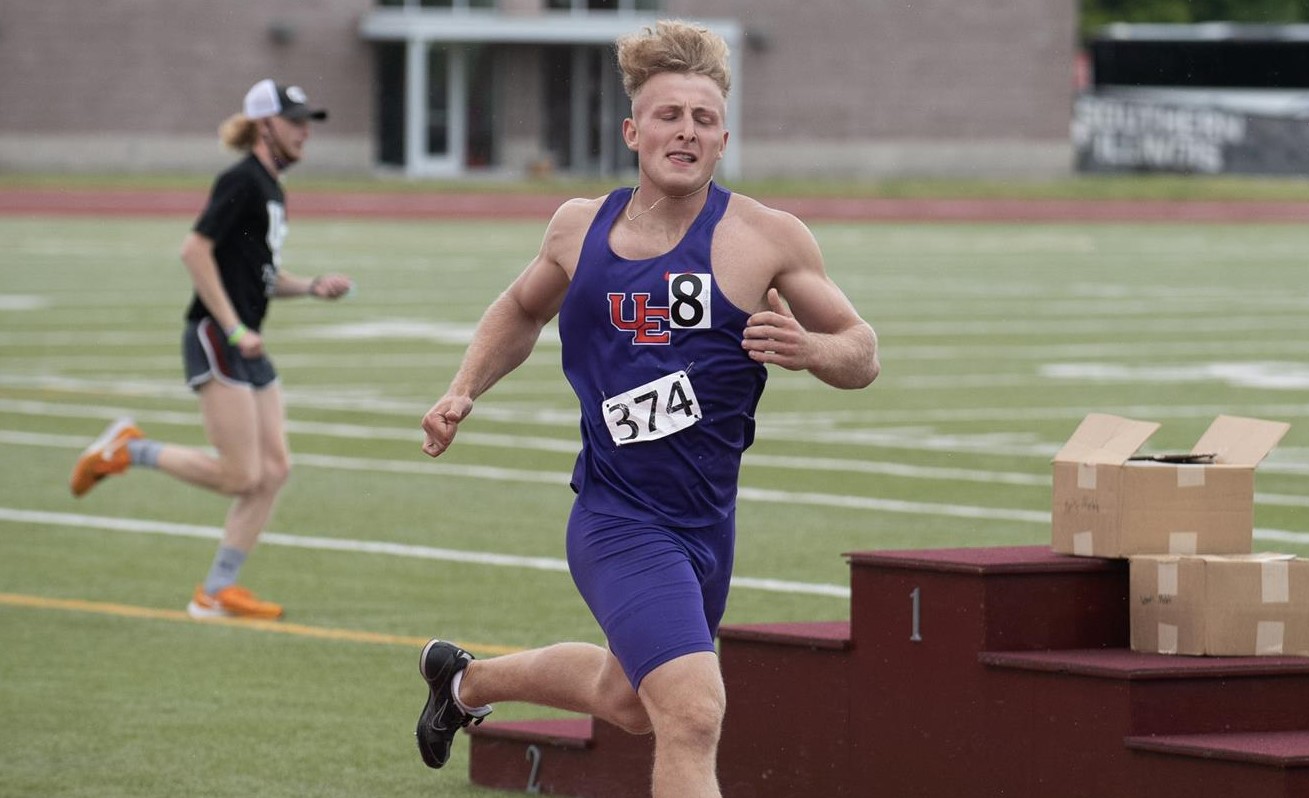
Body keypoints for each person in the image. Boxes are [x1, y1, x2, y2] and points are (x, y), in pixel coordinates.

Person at [415, 20, 879, 798]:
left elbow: (861, 350)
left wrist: (808, 350)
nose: (685, 132)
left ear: (722, 138)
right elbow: (521, 310)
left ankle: (463, 682)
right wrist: (463, 388)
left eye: (703, 120)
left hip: (707, 521)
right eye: (669, 115)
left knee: (628, 701)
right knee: (692, 715)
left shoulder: (765, 237)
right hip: (616, 516)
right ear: (633, 129)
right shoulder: (577, 227)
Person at [69, 79, 353, 621]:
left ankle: (217, 591)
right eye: (294, 121)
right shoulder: (241, 180)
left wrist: (312, 286)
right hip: (217, 338)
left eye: (306, 121)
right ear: (263, 126)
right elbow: (194, 251)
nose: (304, 131)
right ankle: (127, 451)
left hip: (246, 340)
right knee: (240, 475)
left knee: (274, 470)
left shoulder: (271, 187)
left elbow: (260, 274)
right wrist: (232, 328)